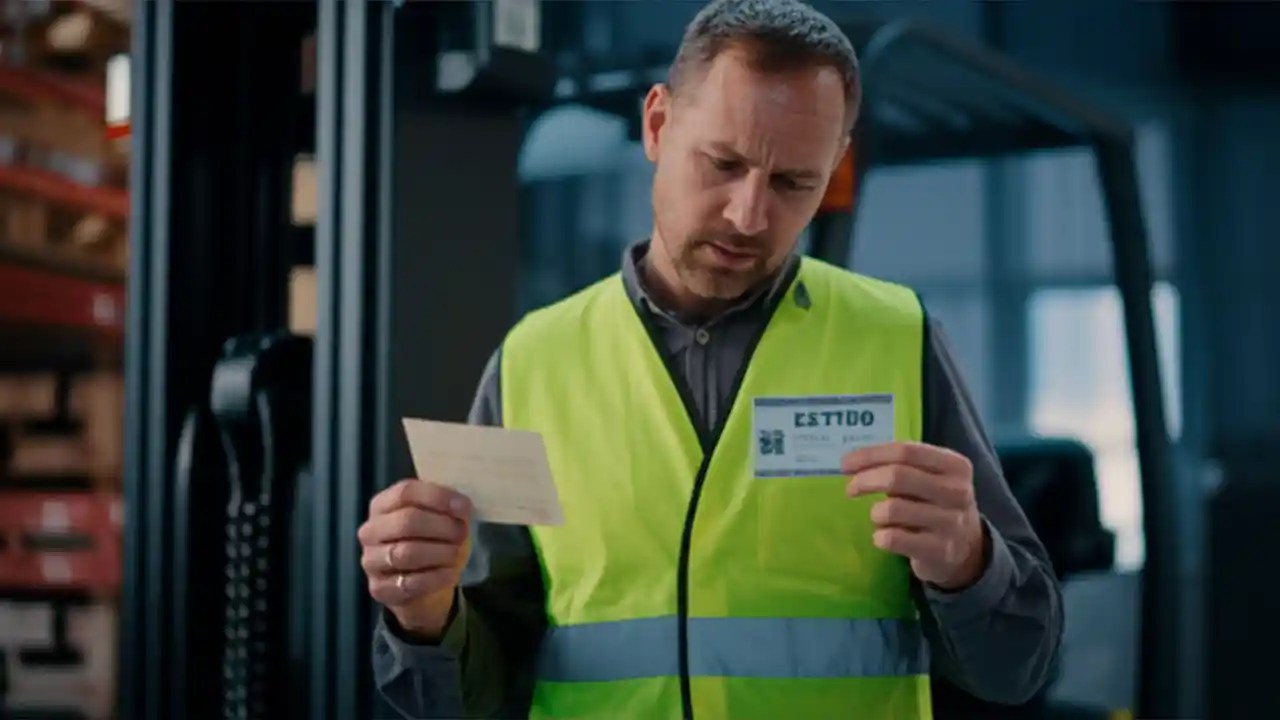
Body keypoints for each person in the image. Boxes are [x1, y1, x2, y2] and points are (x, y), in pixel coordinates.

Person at [359, 0, 1063, 717]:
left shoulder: (898, 338)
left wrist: (971, 566)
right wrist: (423, 618)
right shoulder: (534, 362)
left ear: (835, 167)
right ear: (658, 124)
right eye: (723, 163)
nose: (749, 216)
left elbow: (1017, 668)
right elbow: (464, 699)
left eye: (795, 183)